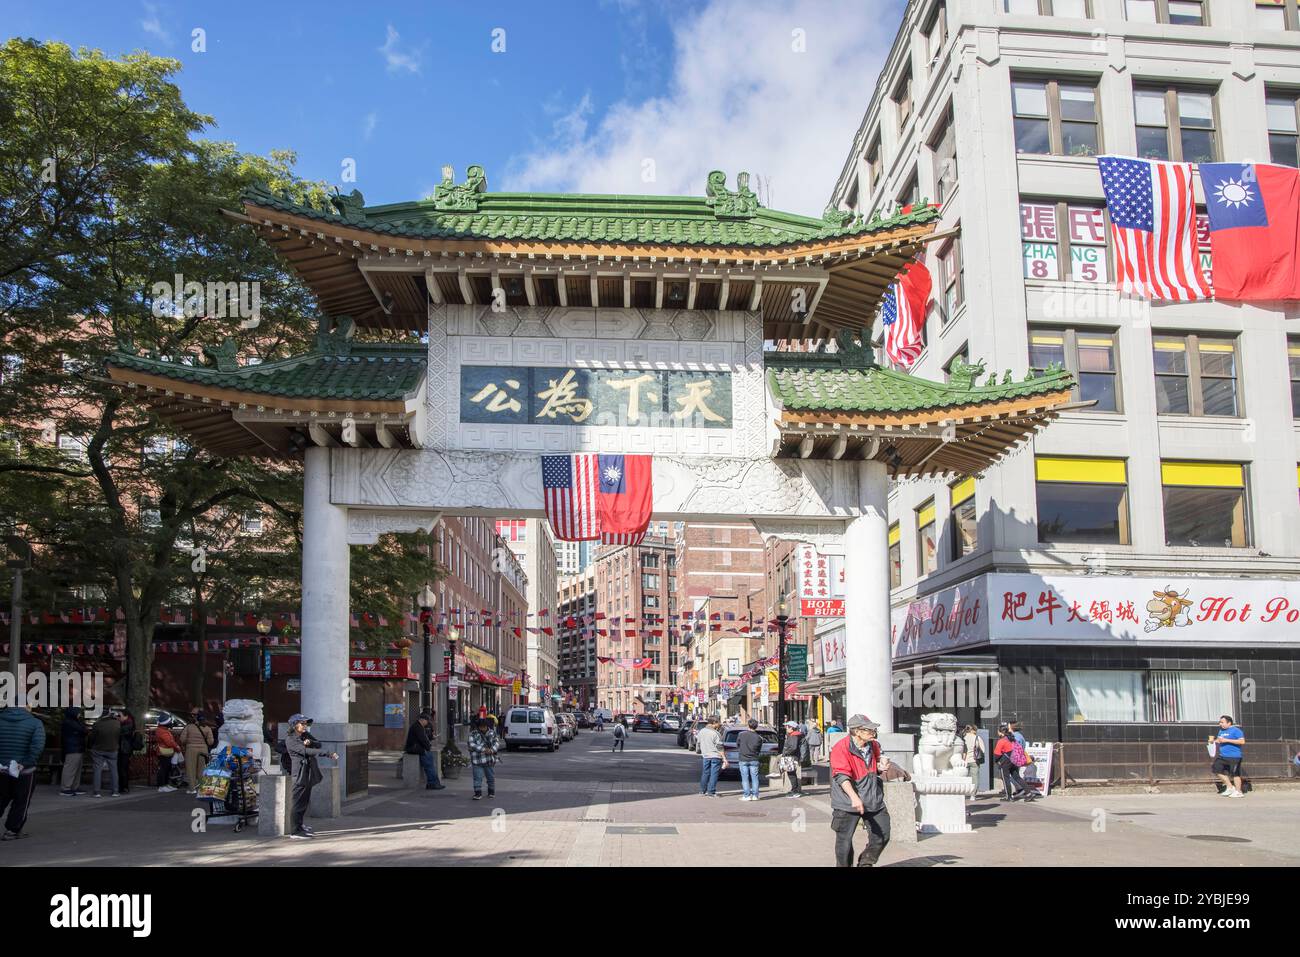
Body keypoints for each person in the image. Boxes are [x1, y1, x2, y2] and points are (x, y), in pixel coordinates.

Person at [828, 714, 891, 867]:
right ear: (856, 731)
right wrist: (854, 798)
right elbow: (841, 776)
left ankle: (865, 863)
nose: (873, 732)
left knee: (883, 835)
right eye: (868, 729)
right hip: (847, 801)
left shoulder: (874, 745)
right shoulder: (841, 748)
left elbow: (873, 766)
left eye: (873, 729)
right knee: (845, 841)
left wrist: (880, 767)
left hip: (872, 798)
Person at [284, 714, 336, 839]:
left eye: (306, 724)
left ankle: (300, 825)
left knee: (304, 801)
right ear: (294, 725)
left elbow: (318, 744)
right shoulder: (291, 739)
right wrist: (327, 754)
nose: (305, 726)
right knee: (298, 803)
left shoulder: (304, 735)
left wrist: (310, 741)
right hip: (300, 773)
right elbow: (306, 751)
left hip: (308, 772)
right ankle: (295, 831)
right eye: (302, 723)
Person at [0, 704, 45, 840]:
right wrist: (25, 762)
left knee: (1, 798)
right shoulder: (35, 723)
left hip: (1, 768)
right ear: (27, 706)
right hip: (24, 770)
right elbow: (37, 745)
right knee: (21, 801)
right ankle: (13, 830)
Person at [994, 726, 1037, 801]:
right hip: (1015, 760)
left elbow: (997, 754)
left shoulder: (1001, 741)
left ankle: (1008, 797)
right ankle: (1029, 793)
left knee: (1005, 778)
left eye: (998, 731)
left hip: (1005, 761)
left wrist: (997, 761)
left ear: (1000, 732)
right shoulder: (1012, 739)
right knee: (1017, 777)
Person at [405, 710, 446, 790]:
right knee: (429, 763)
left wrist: (431, 738)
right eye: (427, 721)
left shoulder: (418, 726)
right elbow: (423, 739)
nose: (427, 723)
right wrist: (428, 747)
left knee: (430, 762)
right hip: (415, 748)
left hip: (417, 747)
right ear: (422, 720)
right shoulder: (417, 727)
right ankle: (432, 783)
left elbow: (424, 738)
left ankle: (434, 782)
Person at [87, 710, 121, 797]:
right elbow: (119, 736)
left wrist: (91, 746)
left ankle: (97, 791)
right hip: (113, 749)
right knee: (114, 770)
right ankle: (115, 791)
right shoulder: (117, 723)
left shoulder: (97, 724)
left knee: (97, 770)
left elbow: (92, 737)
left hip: (98, 749)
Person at [1211, 715, 1247, 798]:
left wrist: (1227, 740)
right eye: (1220, 722)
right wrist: (1213, 741)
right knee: (1216, 770)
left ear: (1229, 723)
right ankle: (1230, 787)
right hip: (1222, 756)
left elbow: (1242, 741)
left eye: (1222, 722)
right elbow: (1219, 740)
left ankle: (1238, 792)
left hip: (1234, 756)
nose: (1220, 724)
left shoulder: (1236, 730)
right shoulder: (1221, 731)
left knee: (1235, 774)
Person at [178, 713, 214, 793]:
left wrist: (189, 741)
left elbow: (182, 739)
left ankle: (192, 788)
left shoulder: (189, 727)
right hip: (203, 750)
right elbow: (210, 742)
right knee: (202, 769)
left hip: (190, 749)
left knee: (191, 769)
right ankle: (201, 787)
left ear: (197, 719)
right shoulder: (208, 728)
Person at [468, 717, 499, 801]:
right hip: (477, 760)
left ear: (487, 726)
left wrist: (492, 750)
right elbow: (472, 744)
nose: (483, 728)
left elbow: (496, 743)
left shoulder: (492, 733)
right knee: (477, 777)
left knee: (490, 777)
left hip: (489, 759)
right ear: (478, 726)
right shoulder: (473, 734)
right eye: (481, 726)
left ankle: (491, 792)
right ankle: (477, 793)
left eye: (484, 726)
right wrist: (484, 750)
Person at [696, 715, 728, 797]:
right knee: (714, 774)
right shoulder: (715, 733)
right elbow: (720, 747)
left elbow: (698, 743)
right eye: (718, 723)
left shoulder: (701, 731)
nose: (719, 724)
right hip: (715, 756)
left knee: (705, 773)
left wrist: (699, 751)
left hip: (706, 756)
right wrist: (724, 758)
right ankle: (711, 792)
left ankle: (702, 791)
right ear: (714, 723)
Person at [59, 707, 87, 796]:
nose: (80, 714)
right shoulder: (69, 722)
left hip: (76, 748)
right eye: (78, 712)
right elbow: (83, 730)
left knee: (76, 769)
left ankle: (74, 786)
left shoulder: (72, 722)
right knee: (70, 769)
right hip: (73, 748)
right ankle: (65, 788)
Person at [736, 718, 764, 801]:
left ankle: (747, 795)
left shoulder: (741, 734)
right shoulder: (759, 737)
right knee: (755, 777)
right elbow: (759, 749)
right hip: (754, 759)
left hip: (743, 758)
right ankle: (755, 795)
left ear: (748, 725)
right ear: (756, 727)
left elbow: (738, 744)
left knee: (745, 778)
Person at [154, 718, 182, 791]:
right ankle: (162, 785)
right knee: (164, 769)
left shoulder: (162, 730)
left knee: (165, 768)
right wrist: (177, 747)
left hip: (164, 751)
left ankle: (165, 784)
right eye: (170, 722)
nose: (171, 723)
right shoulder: (163, 731)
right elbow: (169, 742)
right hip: (164, 751)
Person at [780, 720, 805, 797]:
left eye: (787, 726)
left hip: (791, 757)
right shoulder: (794, 735)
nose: (786, 728)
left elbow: (793, 747)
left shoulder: (793, 735)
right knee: (791, 773)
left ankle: (795, 791)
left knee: (791, 773)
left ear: (791, 728)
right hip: (793, 756)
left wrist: (786, 752)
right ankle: (794, 790)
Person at [116, 710, 139, 794]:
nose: (118, 717)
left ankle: (124, 787)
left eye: (119, 715)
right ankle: (122, 786)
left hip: (124, 749)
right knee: (122, 768)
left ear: (126, 716)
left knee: (122, 768)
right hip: (124, 748)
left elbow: (119, 732)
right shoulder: (127, 723)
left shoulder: (128, 724)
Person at [962, 724, 984, 795]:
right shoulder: (977, 738)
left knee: (963, 777)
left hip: (963, 761)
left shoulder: (963, 738)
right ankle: (973, 795)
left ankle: (963, 793)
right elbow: (983, 750)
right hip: (974, 760)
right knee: (974, 778)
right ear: (974, 730)